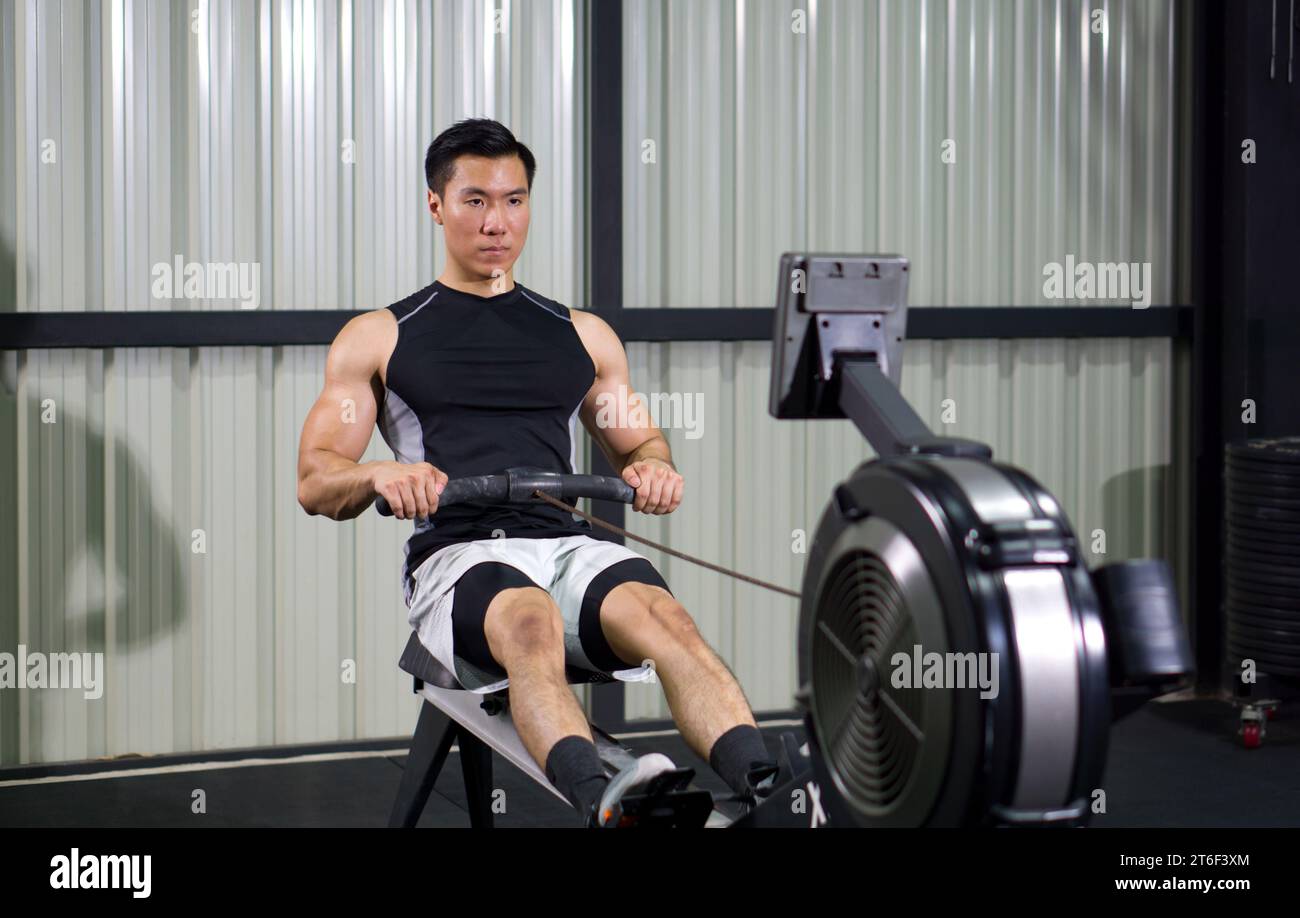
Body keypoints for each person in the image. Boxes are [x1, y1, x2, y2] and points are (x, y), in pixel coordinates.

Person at [296, 118, 777, 827]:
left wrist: (656, 470)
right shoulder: (380, 335)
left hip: (568, 545)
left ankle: (769, 787)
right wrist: (374, 476)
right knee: (530, 622)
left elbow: (640, 443)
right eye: (476, 201)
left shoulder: (581, 333)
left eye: (514, 201)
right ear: (437, 206)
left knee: (665, 616)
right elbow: (314, 480)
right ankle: (608, 805)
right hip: (459, 556)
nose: (498, 222)